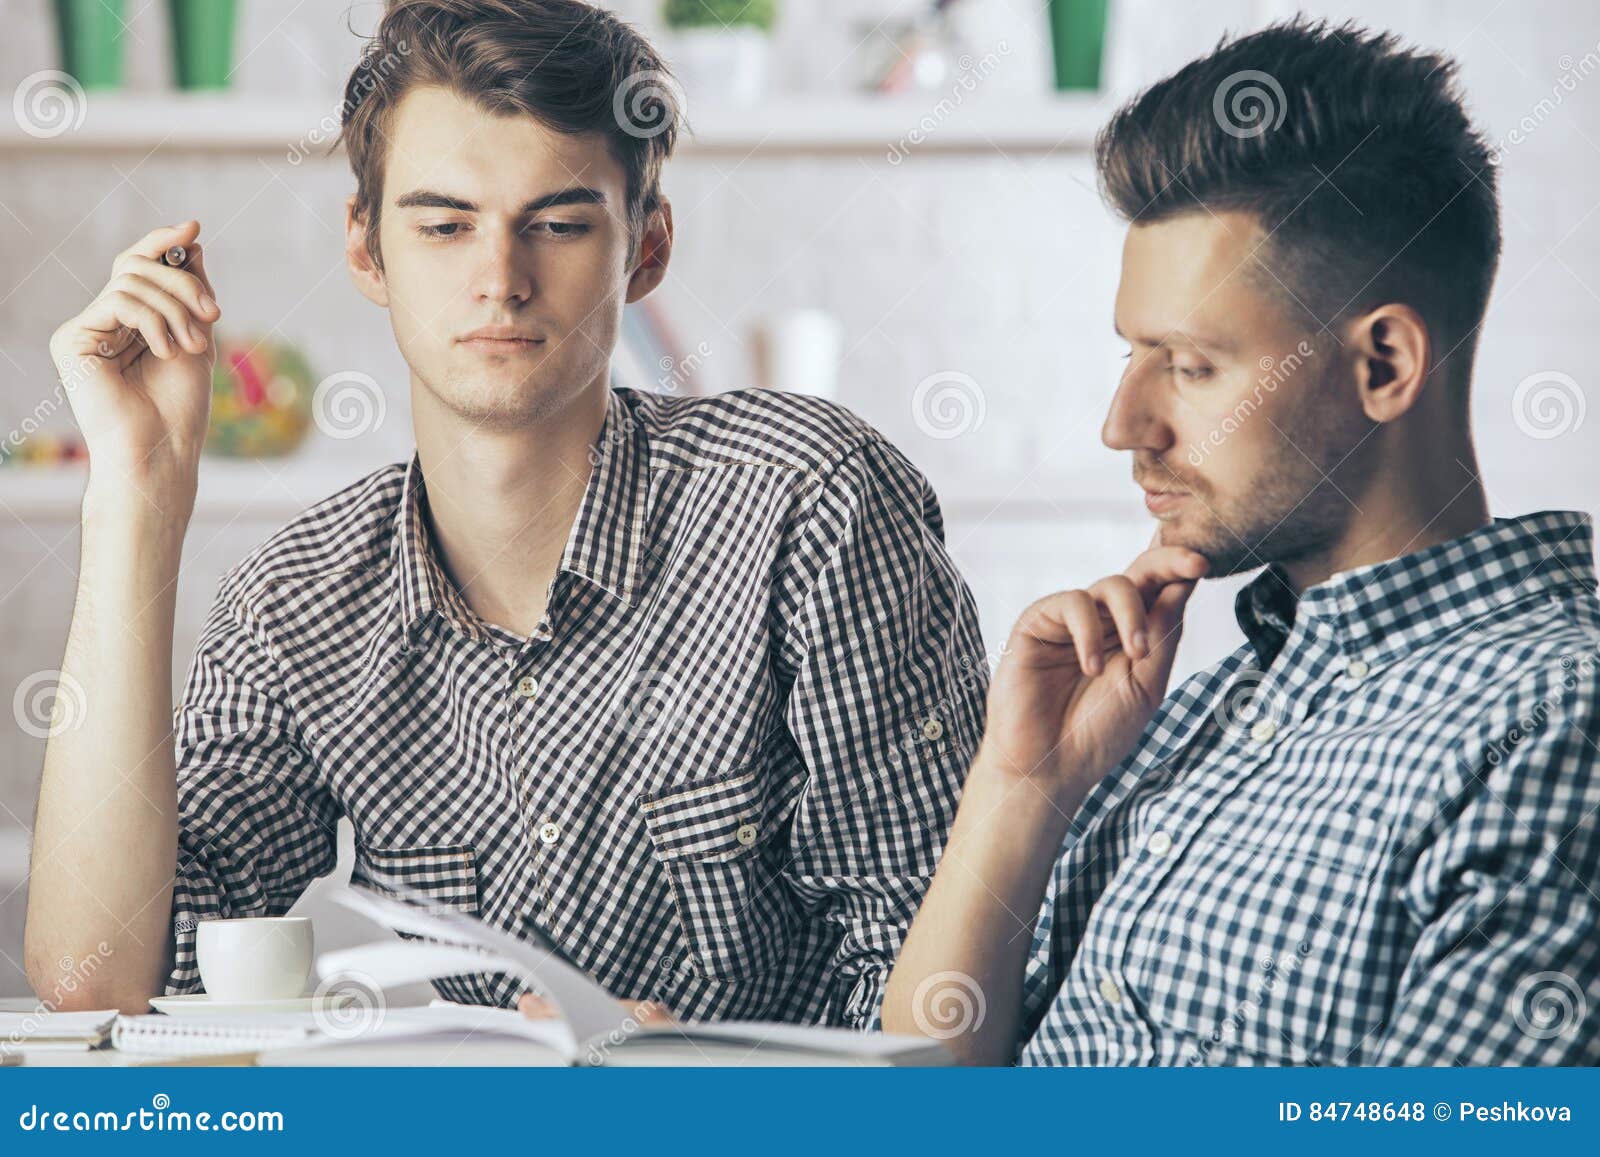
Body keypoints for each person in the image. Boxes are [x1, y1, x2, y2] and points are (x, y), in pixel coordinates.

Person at [26, 0, 987, 1027]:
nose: (500, 281)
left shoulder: (811, 502)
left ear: (646, 248)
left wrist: (717, 1074)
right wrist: (136, 490)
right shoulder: (296, 601)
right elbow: (102, 976)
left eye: (560, 225)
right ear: (366, 249)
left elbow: (947, 990)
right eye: (444, 226)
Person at [882, 19, 1600, 1065]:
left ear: (1384, 364)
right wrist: (1020, 789)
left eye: (1190, 364)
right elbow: (912, 1111)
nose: (1123, 424)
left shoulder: (1554, 722)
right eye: (1133, 355)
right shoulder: (1188, 714)